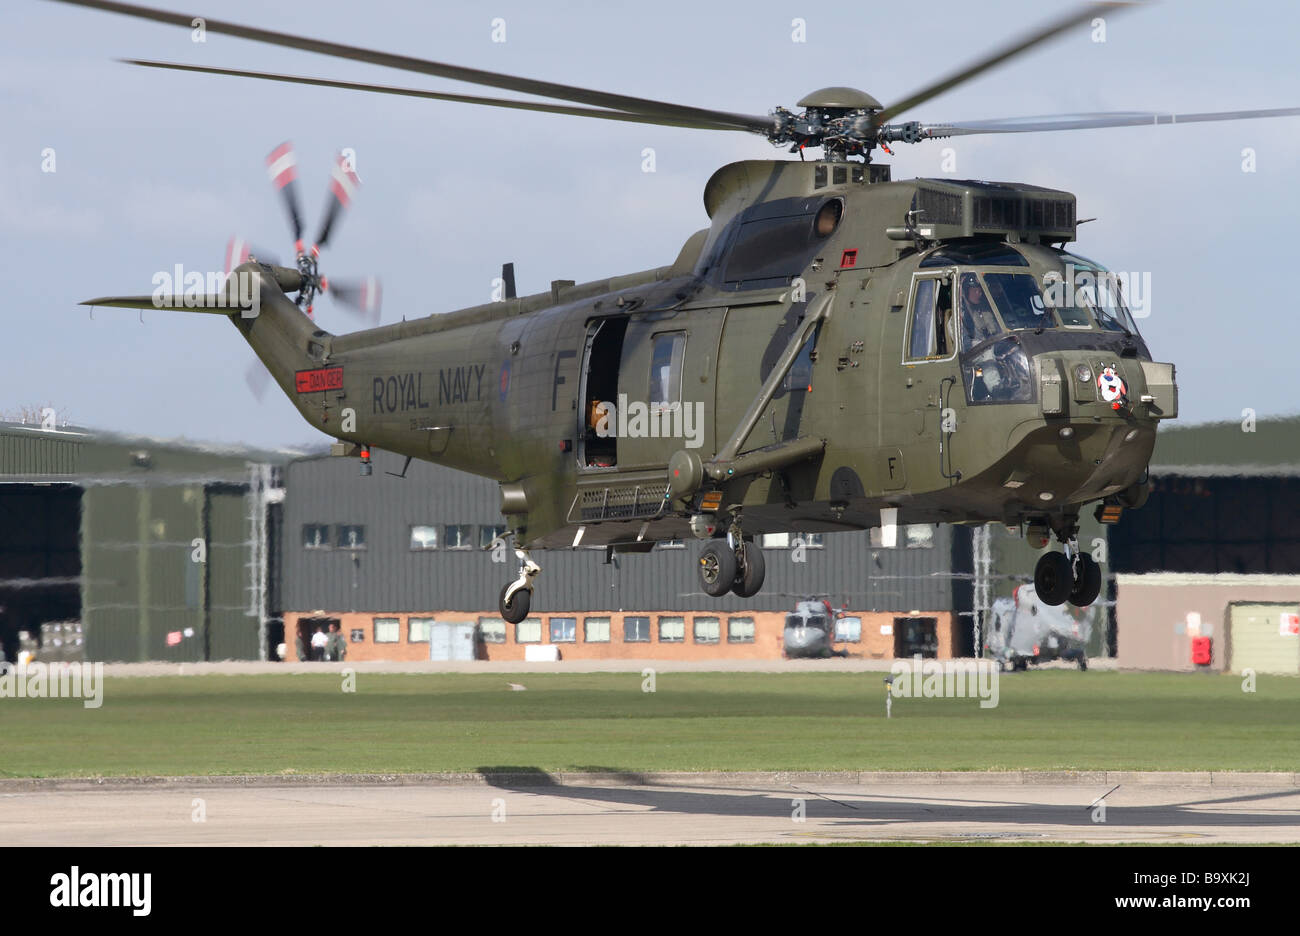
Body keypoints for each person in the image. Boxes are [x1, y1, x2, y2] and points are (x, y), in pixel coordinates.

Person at [960, 273, 1000, 351]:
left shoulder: (985, 311)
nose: (979, 293)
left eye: (980, 290)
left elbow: (997, 332)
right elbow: (966, 347)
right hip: (977, 355)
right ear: (966, 292)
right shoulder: (960, 317)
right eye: (975, 290)